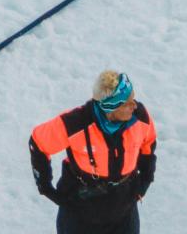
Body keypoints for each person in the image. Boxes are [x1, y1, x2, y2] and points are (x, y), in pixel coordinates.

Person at [29, 70, 157, 232]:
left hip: (124, 209)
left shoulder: (140, 116)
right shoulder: (74, 124)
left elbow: (149, 143)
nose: (135, 105)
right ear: (111, 108)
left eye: (133, 98)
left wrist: (146, 178)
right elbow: (38, 143)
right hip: (80, 210)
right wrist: (45, 186)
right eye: (127, 103)